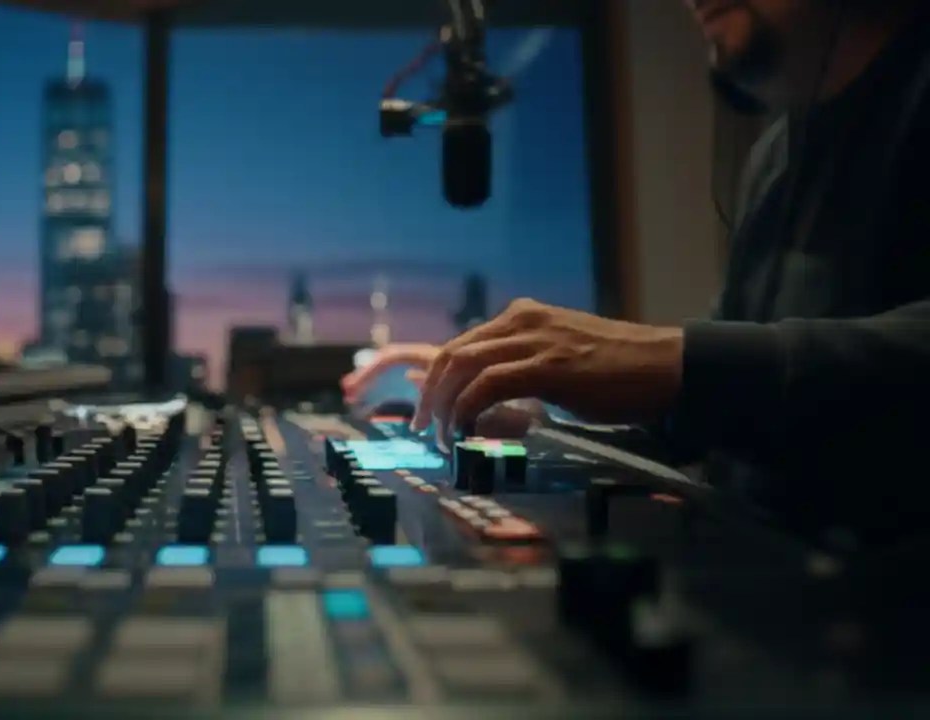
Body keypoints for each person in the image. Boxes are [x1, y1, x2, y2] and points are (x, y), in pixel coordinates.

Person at [343, 0, 930, 543]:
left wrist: (674, 361)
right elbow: (707, 419)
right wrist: (534, 405)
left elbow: (701, 377)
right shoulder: (776, 159)